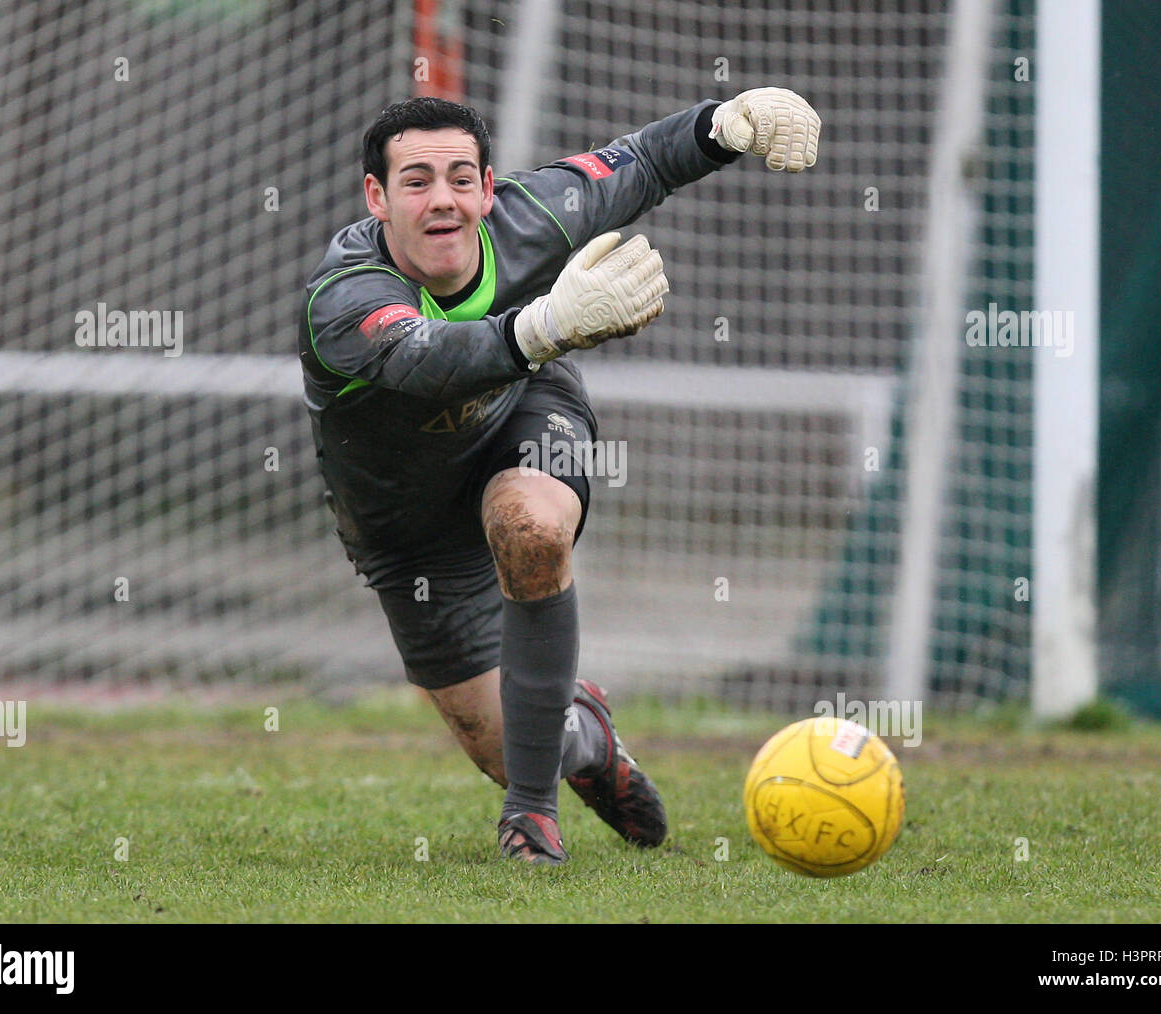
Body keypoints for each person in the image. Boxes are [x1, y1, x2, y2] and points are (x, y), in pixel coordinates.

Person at [298, 87, 821, 864]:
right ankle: (587, 740)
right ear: (377, 197)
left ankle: (530, 817)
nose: (442, 200)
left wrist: (723, 123)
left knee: (530, 528)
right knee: (518, 743)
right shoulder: (343, 298)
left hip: (522, 415)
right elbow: (426, 360)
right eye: (416, 182)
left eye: (460, 178)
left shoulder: (529, 215)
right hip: (405, 531)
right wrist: (543, 325)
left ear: (487, 185)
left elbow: (639, 162)